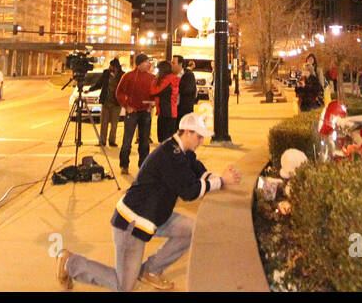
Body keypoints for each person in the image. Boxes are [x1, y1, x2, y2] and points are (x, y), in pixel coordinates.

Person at [56, 113, 242, 292]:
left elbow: (199, 172)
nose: (201, 141)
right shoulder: (170, 156)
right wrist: (222, 181)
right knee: (124, 286)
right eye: (199, 137)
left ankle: (150, 270)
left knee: (191, 229)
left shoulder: (183, 151)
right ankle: (70, 263)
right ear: (187, 132)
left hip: (154, 216)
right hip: (132, 223)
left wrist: (220, 178)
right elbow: (190, 191)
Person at [116, 55, 157, 173]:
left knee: (144, 141)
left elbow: (154, 94)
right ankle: (124, 165)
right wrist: (126, 105)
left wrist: (151, 105)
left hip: (145, 112)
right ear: (140, 63)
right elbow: (119, 92)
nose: (149, 64)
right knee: (127, 141)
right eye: (146, 62)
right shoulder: (128, 76)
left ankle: (143, 166)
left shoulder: (151, 77)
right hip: (132, 112)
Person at [151, 59, 180, 143]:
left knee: (164, 139)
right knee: (168, 139)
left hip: (166, 112)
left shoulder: (167, 80)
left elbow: (153, 91)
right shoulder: (173, 79)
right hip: (170, 111)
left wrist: (155, 80)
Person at [97, 58, 124, 148]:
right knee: (104, 123)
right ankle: (102, 141)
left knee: (114, 123)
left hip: (116, 103)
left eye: (111, 66)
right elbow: (99, 83)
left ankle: (112, 141)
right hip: (106, 102)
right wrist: (90, 89)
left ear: (116, 67)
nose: (109, 67)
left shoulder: (122, 75)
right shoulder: (106, 73)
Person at [176, 57, 197, 122]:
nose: (171, 65)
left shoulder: (189, 74)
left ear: (180, 64)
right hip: (174, 109)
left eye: (173, 63)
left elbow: (188, 89)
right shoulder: (171, 74)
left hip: (184, 108)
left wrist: (175, 88)